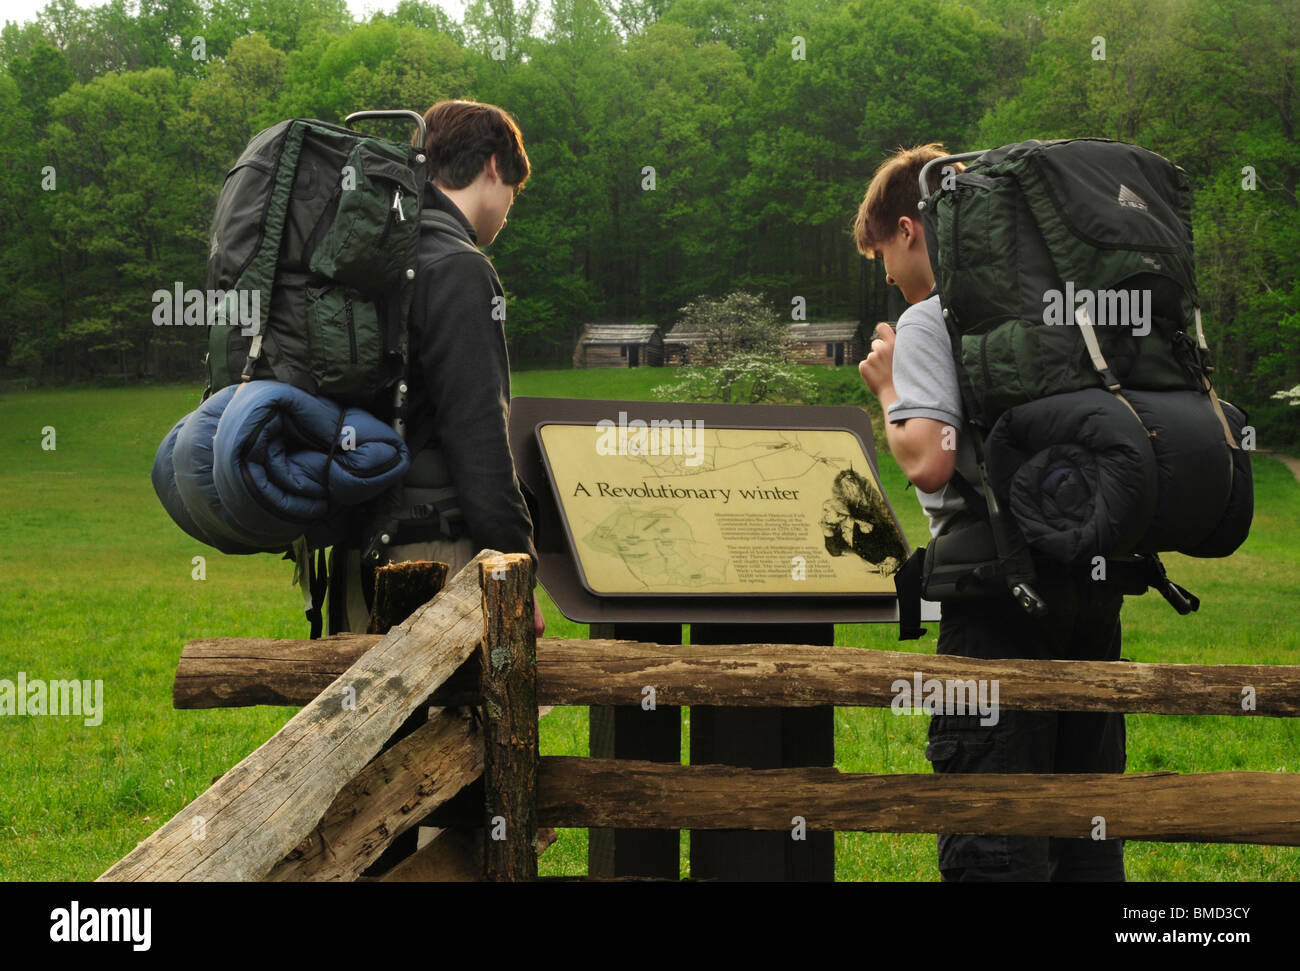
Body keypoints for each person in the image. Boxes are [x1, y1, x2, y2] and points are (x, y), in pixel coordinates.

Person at [853, 143, 1126, 881]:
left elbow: (930, 459)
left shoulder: (928, 319)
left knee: (993, 838)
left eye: (880, 249)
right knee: (1086, 830)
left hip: (991, 599)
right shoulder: (1057, 311)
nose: (883, 270)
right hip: (1086, 587)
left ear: (910, 229)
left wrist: (886, 390)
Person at [328, 99, 545, 637]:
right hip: (435, 564)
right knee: (453, 722)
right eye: (512, 192)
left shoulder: (368, 256)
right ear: (494, 167)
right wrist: (520, 574)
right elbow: (479, 444)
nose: (507, 209)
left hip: (359, 555)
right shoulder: (458, 267)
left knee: (371, 720)